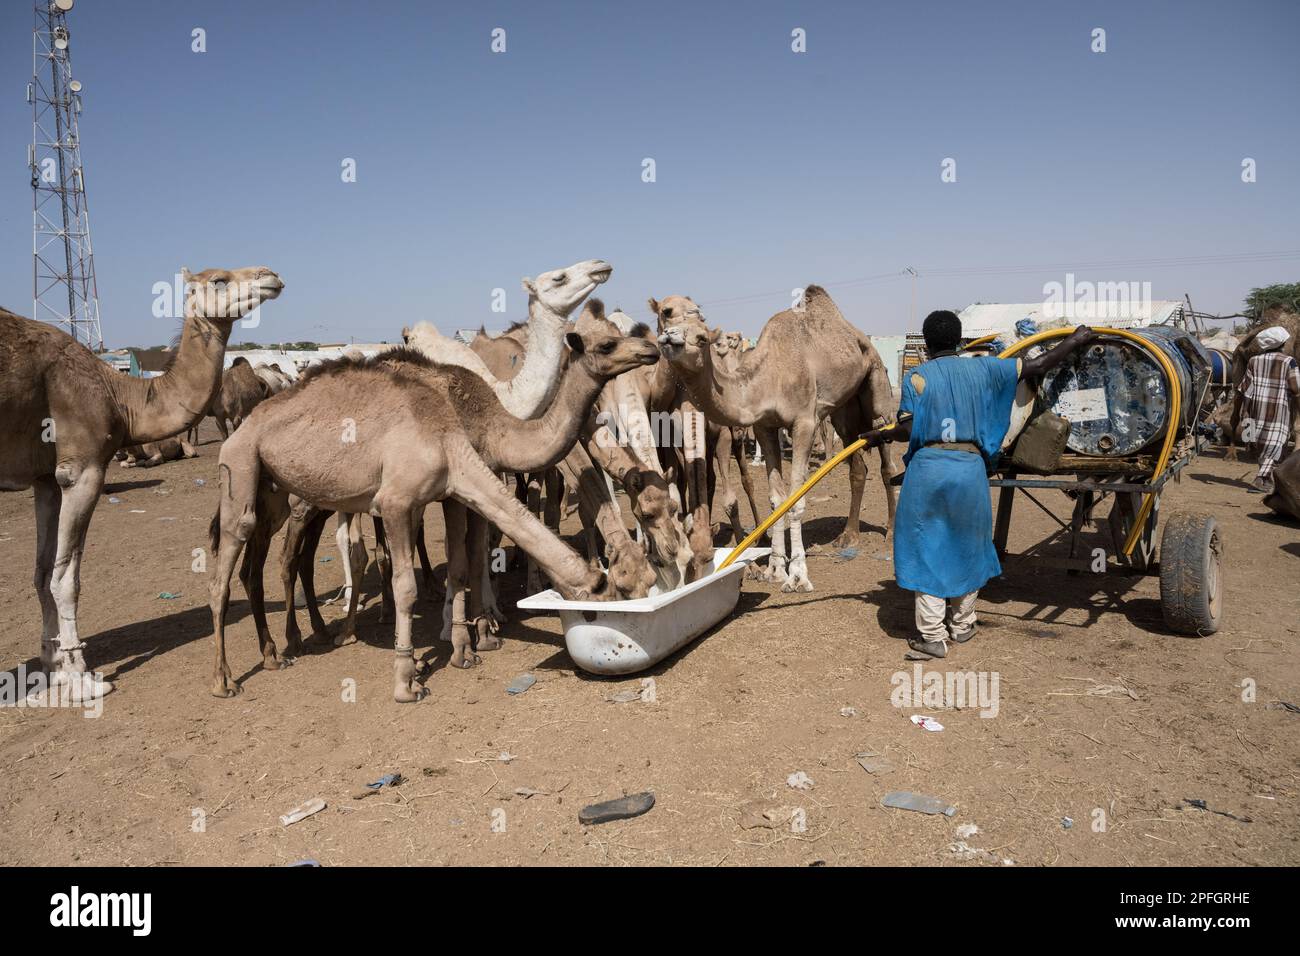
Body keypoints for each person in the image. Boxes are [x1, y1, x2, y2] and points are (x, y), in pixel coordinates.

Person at [859, 311, 1096, 659]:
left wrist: (877, 436)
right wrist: (1076, 340)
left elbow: (908, 430)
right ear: (959, 341)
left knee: (926, 547)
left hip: (928, 470)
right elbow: (1036, 366)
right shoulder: (986, 367)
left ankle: (933, 636)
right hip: (969, 469)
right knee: (968, 543)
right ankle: (964, 624)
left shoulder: (918, 377)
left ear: (926, 344)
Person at [1237, 326, 1300, 494]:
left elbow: (1246, 390)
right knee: (1276, 446)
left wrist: (1245, 412)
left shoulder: (1253, 361)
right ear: (1282, 343)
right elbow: (1296, 388)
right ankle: (1260, 479)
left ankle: (1265, 479)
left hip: (1256, 411)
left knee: (1263, 445)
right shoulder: (1289, 362)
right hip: (1278, 412)